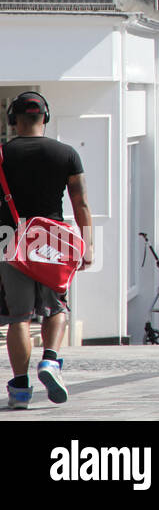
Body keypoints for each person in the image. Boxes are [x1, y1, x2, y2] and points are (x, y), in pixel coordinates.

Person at [0, 92, 93, 409]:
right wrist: (88, 244)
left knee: (19, 317)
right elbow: (80, 202)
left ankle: (21, 390)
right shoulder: (66, 154)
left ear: (14, 120)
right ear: (45, 118)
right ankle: (50, 360)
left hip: (10, 238)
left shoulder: (1, 154)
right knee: (56, 308)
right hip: (51, 238)